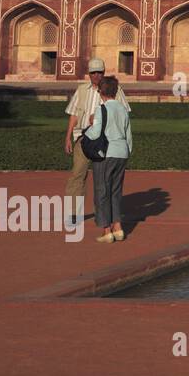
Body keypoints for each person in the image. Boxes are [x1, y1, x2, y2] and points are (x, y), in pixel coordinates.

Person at [63, 57, 131, 226]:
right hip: (83, 138)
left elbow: (124, 114)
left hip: (106, 141)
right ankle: (73, 214)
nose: (96, 75)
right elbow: (74, 115)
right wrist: (68, 137)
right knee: (78, 175)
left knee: (103, 180)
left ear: (103, 73)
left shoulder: (115, 90)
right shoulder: (82, 90)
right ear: (88, 74)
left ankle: (102, 216)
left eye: (99, 72)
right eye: (93, 72)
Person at [84, 76, 132, 243]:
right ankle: (118, 227)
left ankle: (107, 230)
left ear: (101, 92)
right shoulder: (123, 109)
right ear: (115, 91)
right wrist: (126, 152)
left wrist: (88, 128)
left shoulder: (101, 109)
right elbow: (128, 135)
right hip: (122, 153)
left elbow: (95, 133)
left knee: (102, 191)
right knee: (116, 192)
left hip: (106, 154)